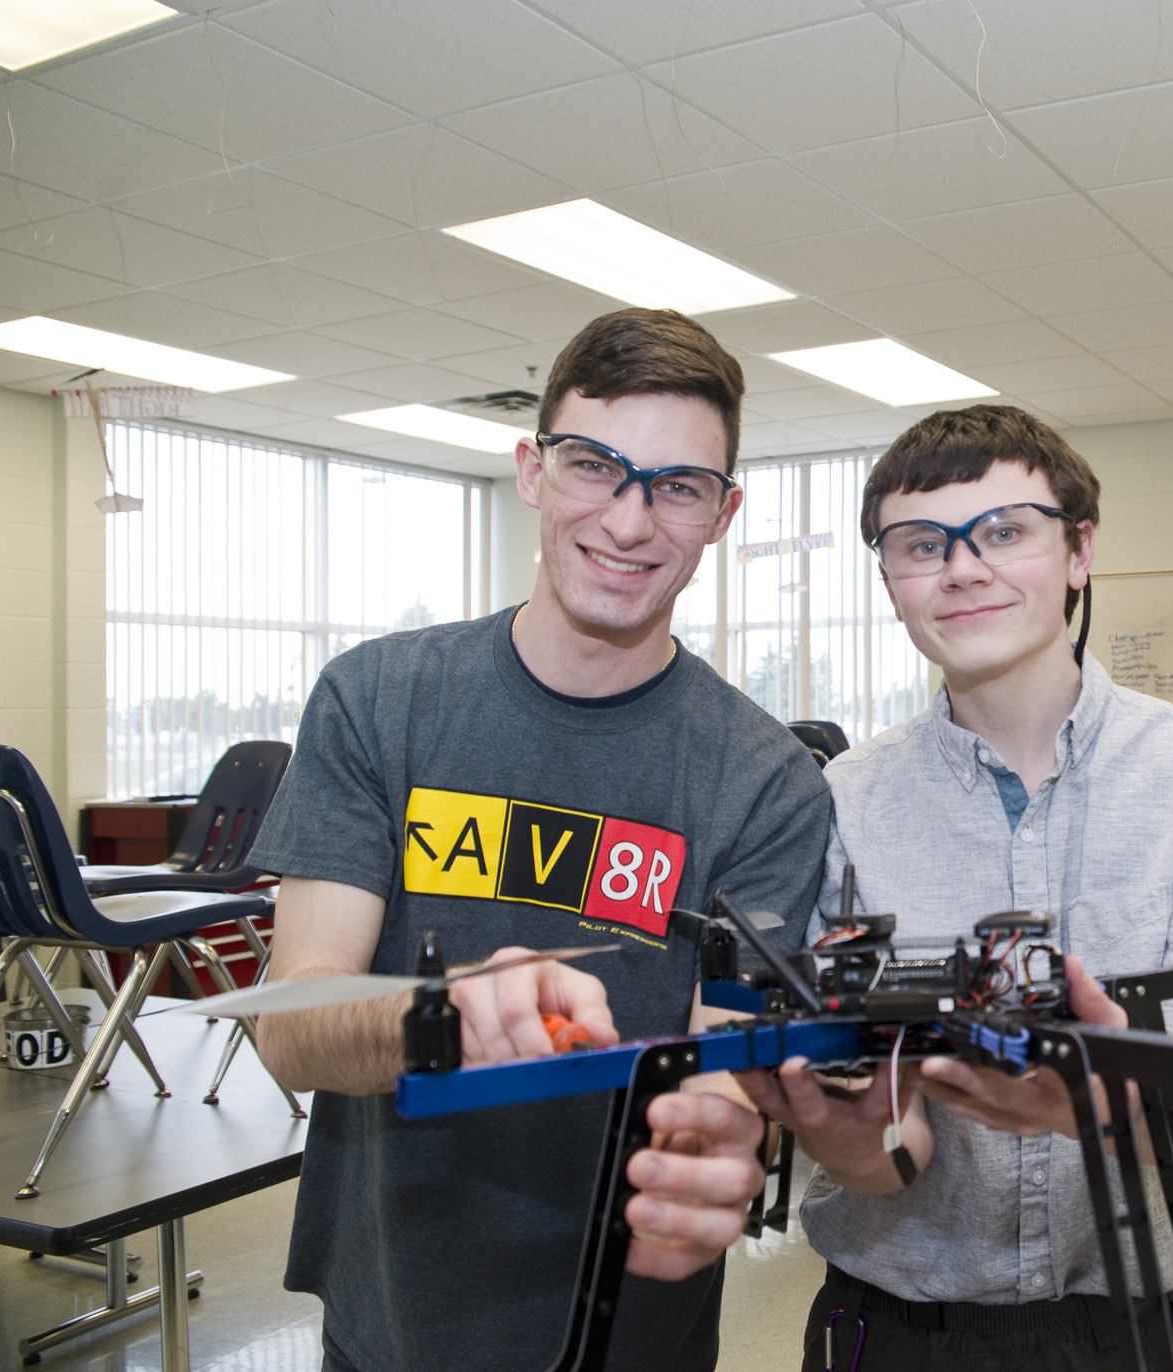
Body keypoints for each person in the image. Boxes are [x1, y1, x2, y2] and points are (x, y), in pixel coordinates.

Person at [250, 307, 832, 1372]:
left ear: (723, 513)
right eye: (593, 464)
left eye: (678, 486)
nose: (628, 519)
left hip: (624, 1330)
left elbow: (724, 1053)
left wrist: (720, 1134)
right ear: (530, 468)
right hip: (387, 1314)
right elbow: (291, 1019)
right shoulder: (377, 701)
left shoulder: (766, 781)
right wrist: (441, 1017)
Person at [739, 404, 1173, 1371]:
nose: (961, 567)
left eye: (1003, 532)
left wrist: (1081, 1102)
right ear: (891, 580)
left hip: (1116, 1326)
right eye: (921, 544)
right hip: (889, 1322)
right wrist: (847, 1131)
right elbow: (881, 1155)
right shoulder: (841, 802)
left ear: (1078, 551)